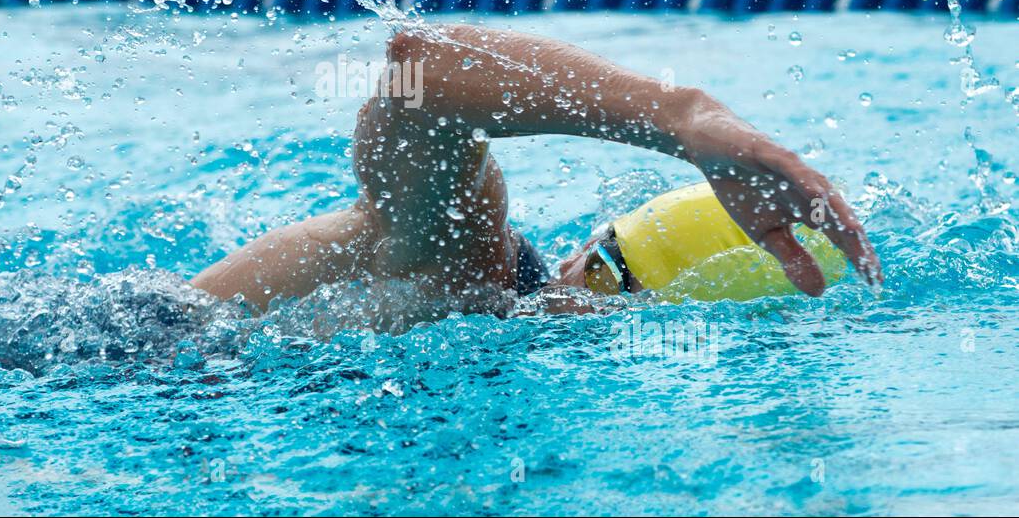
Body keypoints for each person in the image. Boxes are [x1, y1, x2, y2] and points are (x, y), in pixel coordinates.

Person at [191, 23, 882, 316]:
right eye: (609, 266)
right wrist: (686, 120)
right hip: (136, 351)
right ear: (586, 243)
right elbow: (417, 70)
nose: (588, 302)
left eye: (625, 301)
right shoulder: (472, 262)